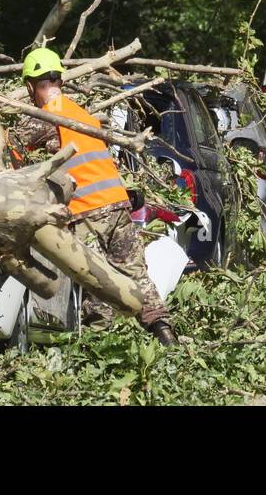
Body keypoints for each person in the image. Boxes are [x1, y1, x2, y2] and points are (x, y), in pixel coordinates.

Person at [18, 47, 178, 345]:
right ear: (60, 81)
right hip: (117, 205)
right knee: (137, 275)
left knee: (97, 282)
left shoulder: (41, 118)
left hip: (86, 211)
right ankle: (166, 336)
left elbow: (16, 153)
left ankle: (98, 350)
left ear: (30, 85)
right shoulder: (81, 114)